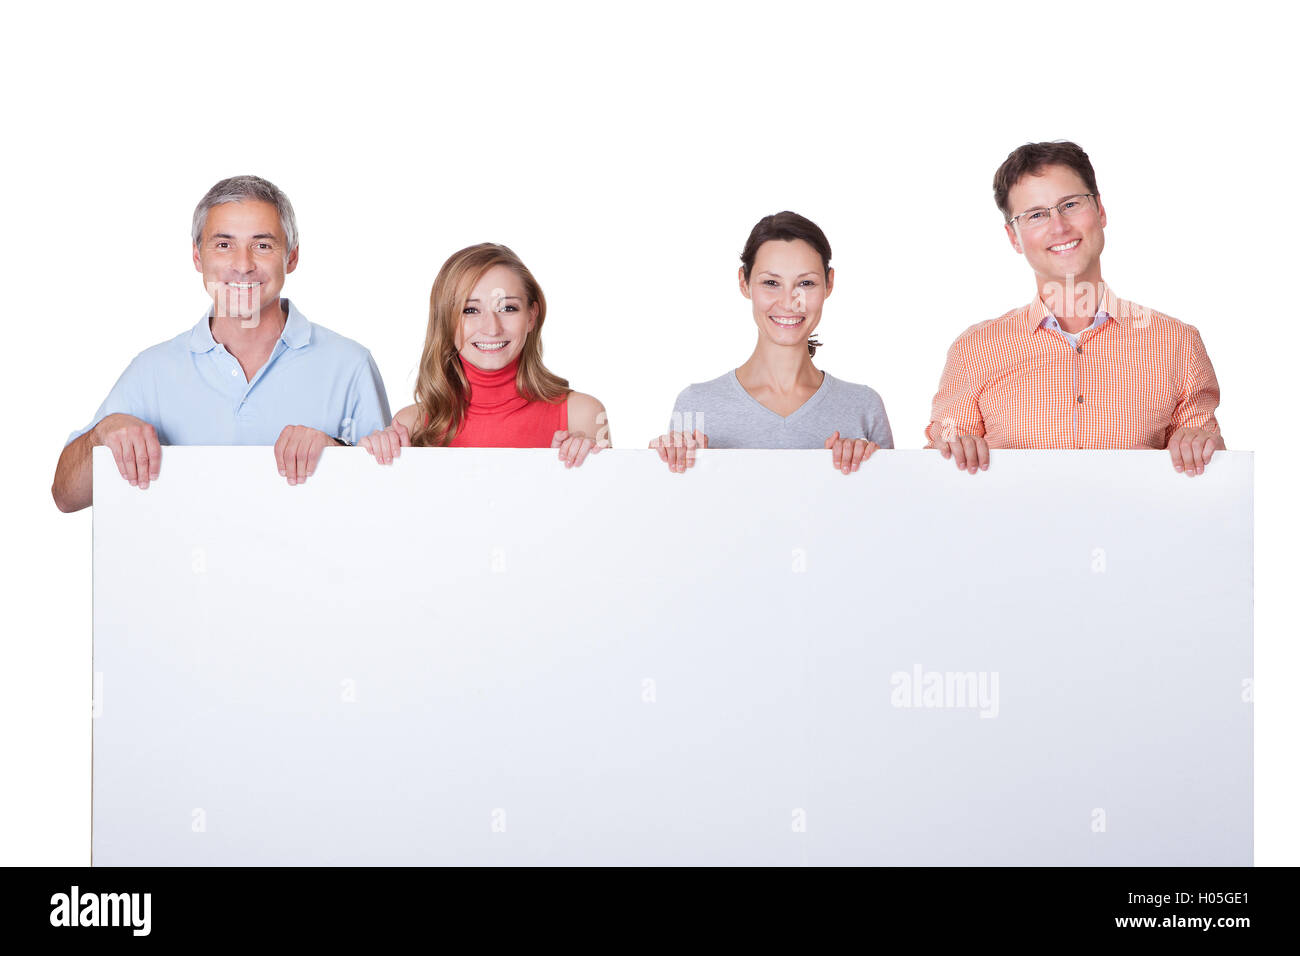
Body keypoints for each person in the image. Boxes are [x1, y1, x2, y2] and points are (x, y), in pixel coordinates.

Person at [51, 175, 391, 511]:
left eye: (262, 245)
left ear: (291, 257)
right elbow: (66, 496)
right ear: (198, 258)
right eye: (224, 245)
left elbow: (390, 504)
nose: (242, 266)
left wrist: (338, 456)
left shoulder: (350, 365)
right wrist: (102, 434)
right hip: (187, 567)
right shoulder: (151, 371)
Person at [925, 141, 1223, 477]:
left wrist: (1198, 445)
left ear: (1100, 210)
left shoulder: (1178, 344)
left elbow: (1213, 477)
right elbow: (940, 454)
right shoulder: (974, 350)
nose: (1059, 226)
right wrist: (953, 447)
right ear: (1014, 237)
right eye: (1036, 215)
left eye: (1070, 204)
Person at [650, 211, 892, 474]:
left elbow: (891, 509)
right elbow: (677, 509)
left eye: (806, 283)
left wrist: (870, 468)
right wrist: (666, 466)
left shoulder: (863, 408)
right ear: (744, 283)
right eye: (771, 283)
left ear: (829, 284)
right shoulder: (696, 405)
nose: (789, 302)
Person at [360, 243, 608, 466]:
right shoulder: (411, 424)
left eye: (508, 308)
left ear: (532, 316)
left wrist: (579, 471)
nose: (492, 328)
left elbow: (610, 512)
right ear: (446, 320)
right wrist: (358, 465)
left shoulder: (583, 415)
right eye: (470, 310)